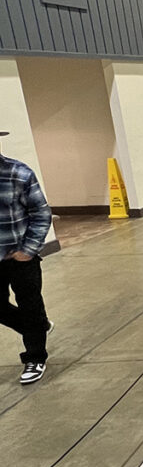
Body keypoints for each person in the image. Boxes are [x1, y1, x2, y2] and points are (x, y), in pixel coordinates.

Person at [0, 132, 52, 384]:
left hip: (20, 258)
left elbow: (41, 214)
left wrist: (28, 250)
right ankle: (39, 326)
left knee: (29, 305)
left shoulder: (18, 174)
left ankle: (35, 357)